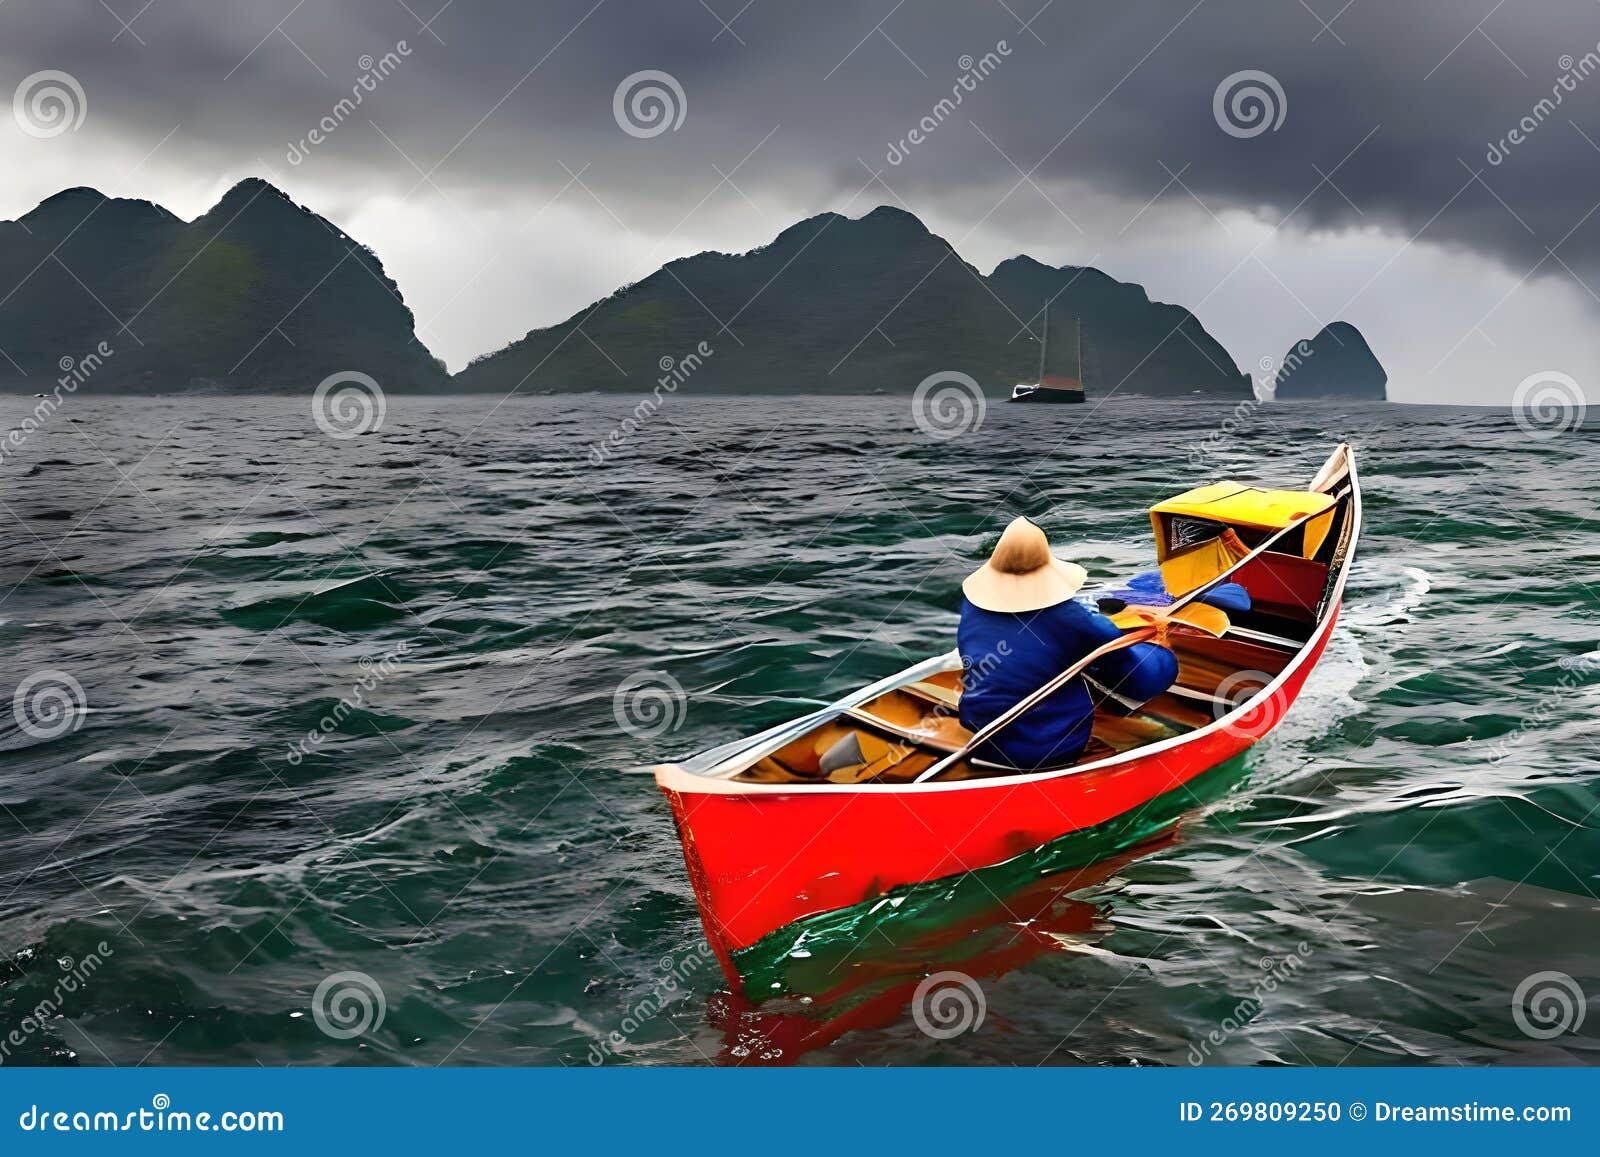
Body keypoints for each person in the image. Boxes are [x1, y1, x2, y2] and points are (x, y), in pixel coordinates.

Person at [957, 516, 1178, 769]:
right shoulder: (1073, 620)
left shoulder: (972, 605)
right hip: (1048, 750)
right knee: (1147, 672)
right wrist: (1163, 651)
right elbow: (1139, 683)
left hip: (981, 733)